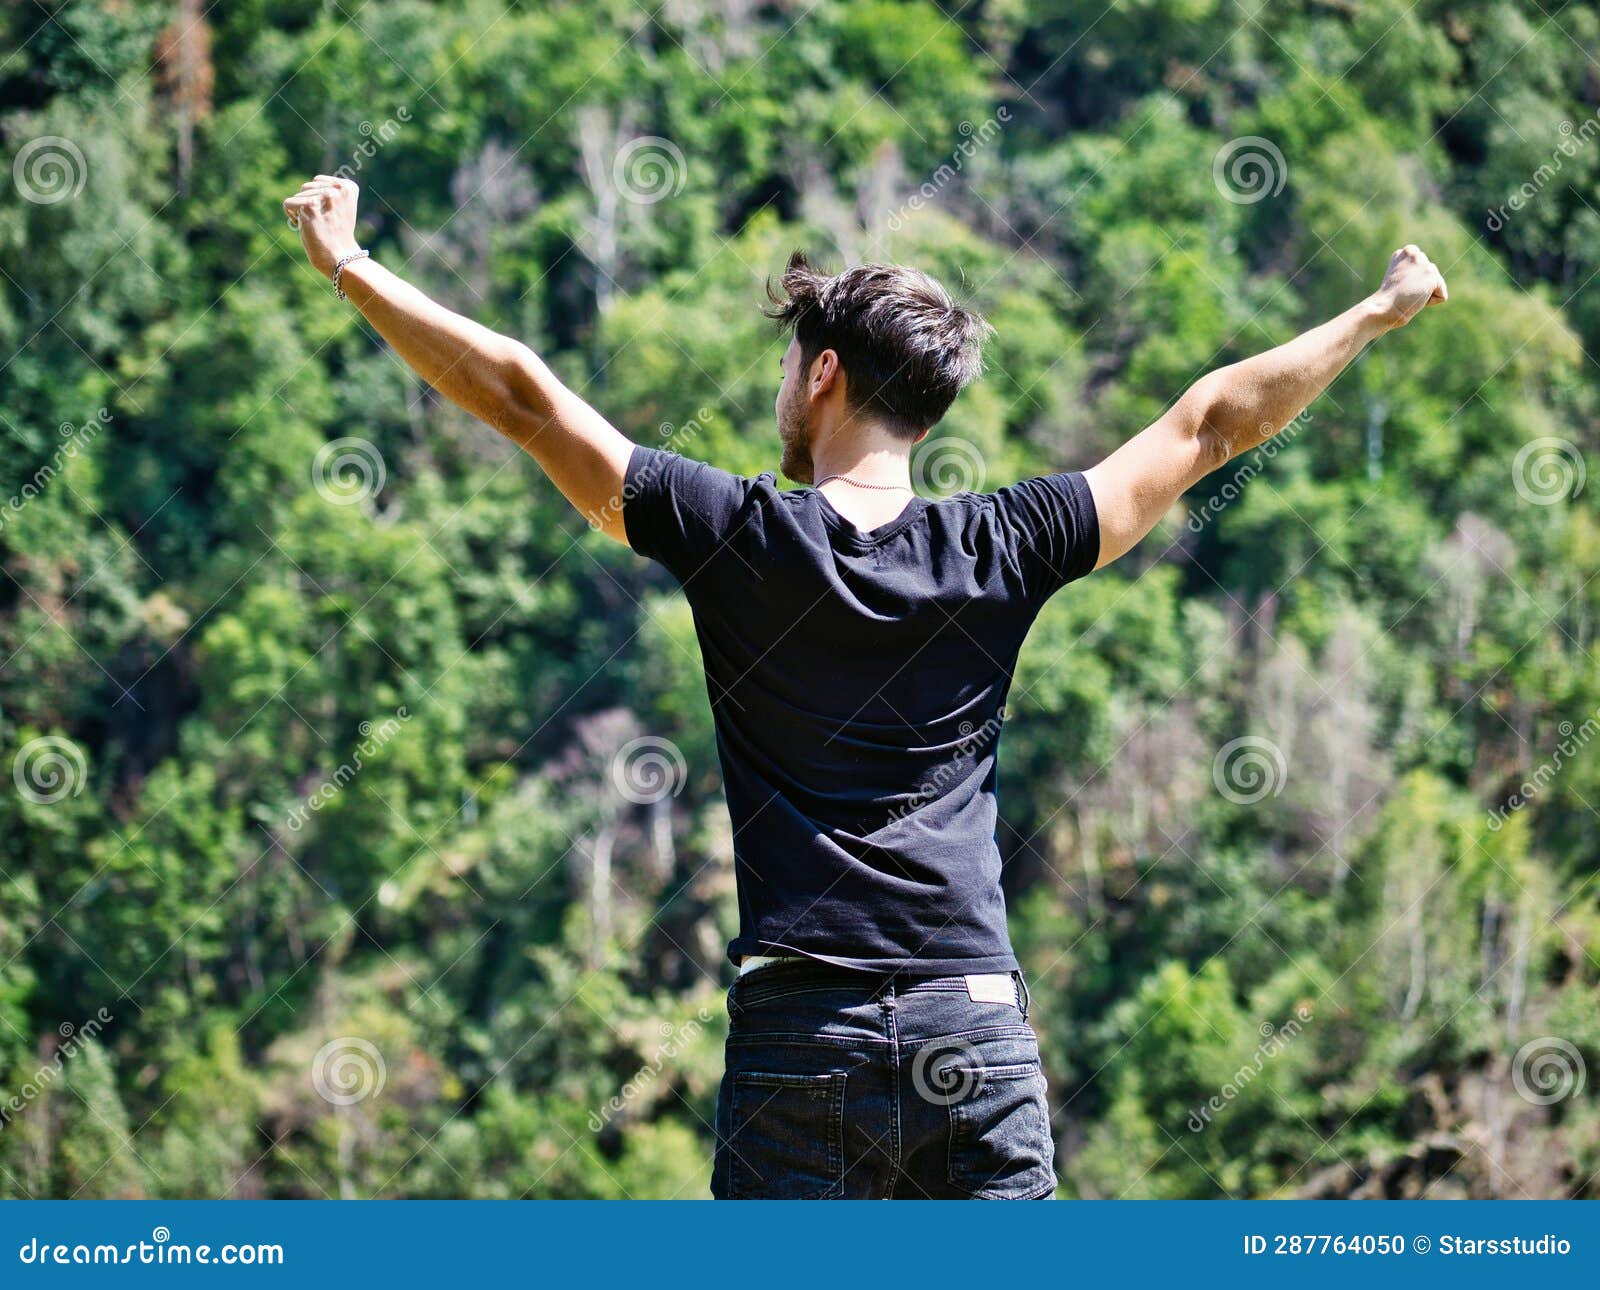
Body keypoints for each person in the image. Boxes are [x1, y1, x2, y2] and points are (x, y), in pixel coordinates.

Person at [283, 174, 1447, 1199]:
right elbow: (1208, 425)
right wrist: (1375, 314)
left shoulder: (730, 532)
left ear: (825, 372)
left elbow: (526, 398)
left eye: (791, 365)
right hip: (973, 1026)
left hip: (806, 1035)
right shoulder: (1010, 540)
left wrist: (349, 268)